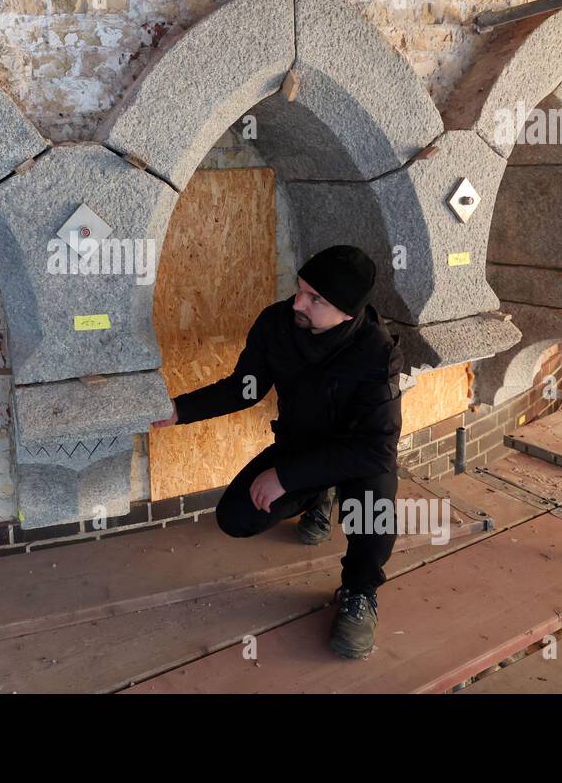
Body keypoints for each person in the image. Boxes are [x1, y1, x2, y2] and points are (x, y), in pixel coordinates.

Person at [152, 245, 403, 658]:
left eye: (314, 299)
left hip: (357, 460)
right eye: (300, 290)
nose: (297, 303)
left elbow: (377, 449)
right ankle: (319, 495)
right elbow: (244, 388)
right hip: (300, 447)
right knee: (236, 517)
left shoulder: (377, 351)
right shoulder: (277, 323)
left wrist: (284, 478)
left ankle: (359, 593)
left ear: (346, 312)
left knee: (372, 516)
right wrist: (179, 410)